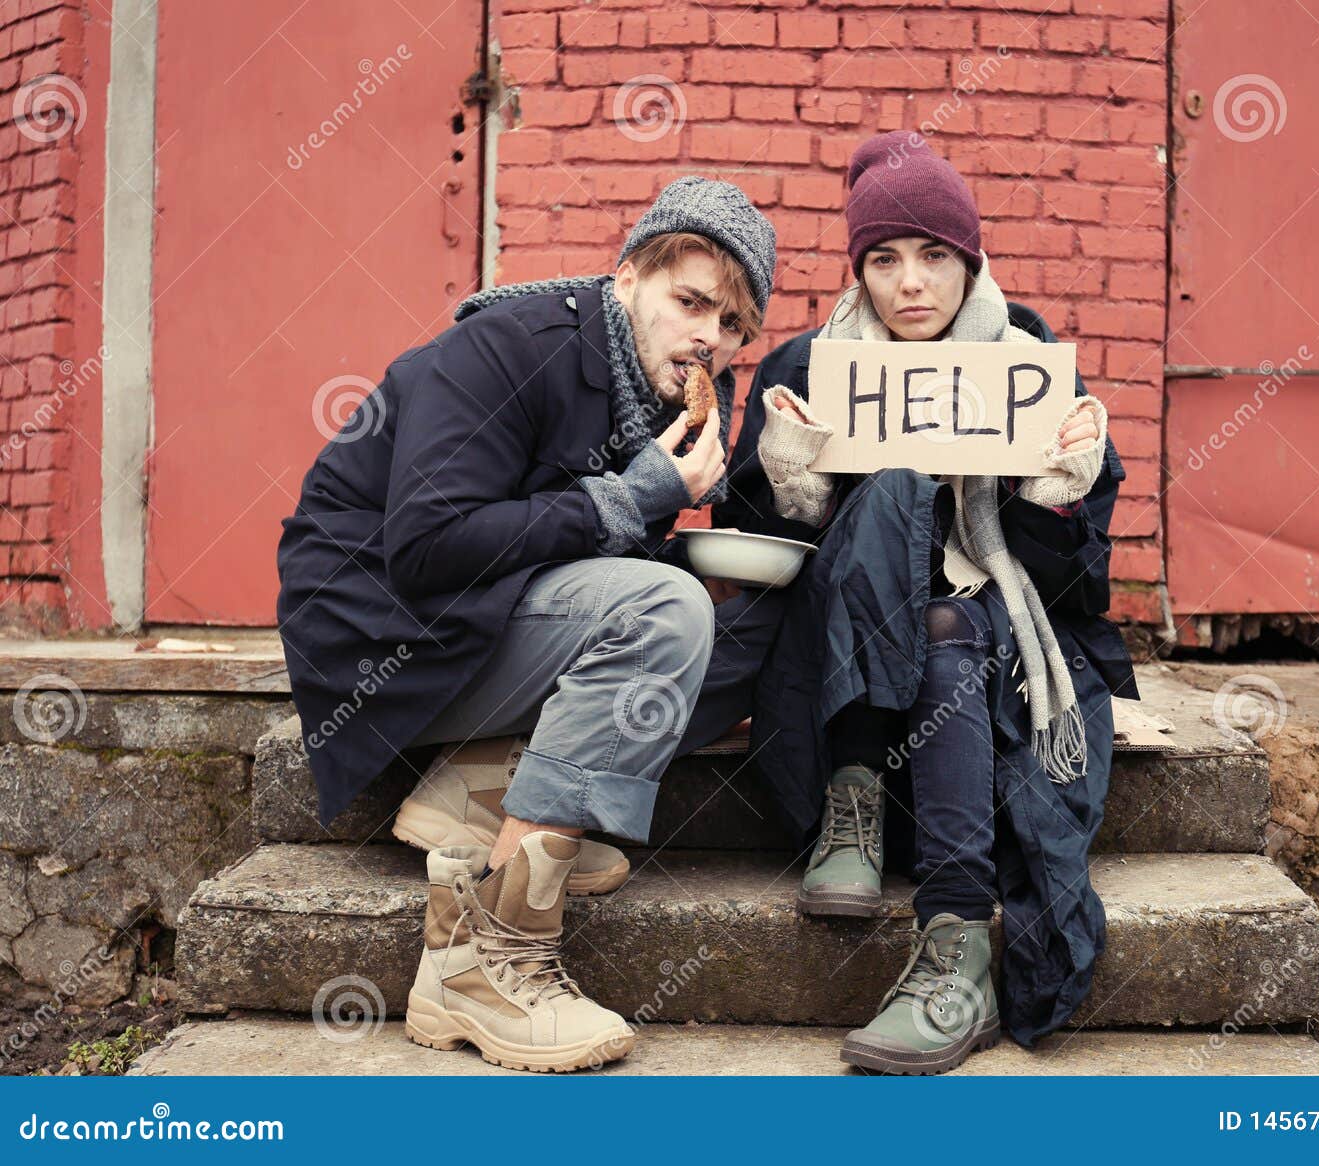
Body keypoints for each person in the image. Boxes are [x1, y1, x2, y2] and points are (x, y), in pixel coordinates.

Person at [275, 177, 782, 1072]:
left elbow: (582, 549)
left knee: (758, 626)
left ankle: (485, 785)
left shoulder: (673, 403)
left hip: (487, 621)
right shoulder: (513, 345)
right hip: (384, 638)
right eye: (690, 301)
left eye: (734, 323)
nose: (710, 336)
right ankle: (484, 962)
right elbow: (428, 547)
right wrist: (634, 500)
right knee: (664, 611)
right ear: (628, 277)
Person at [720, 132, 1140, 1074]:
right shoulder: (805, 368)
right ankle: (853, 791)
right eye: (885, 259)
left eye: (935, 256)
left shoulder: (1034, 372)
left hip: (991, 664)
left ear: (970, 261)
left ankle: (954, 943)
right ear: (860, 272)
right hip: (833, 671)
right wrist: (791, 483)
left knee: (949, 621)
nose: (911, 282)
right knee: (897, 489)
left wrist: (1054, 496)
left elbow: (1082, 591)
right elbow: (753, 562)